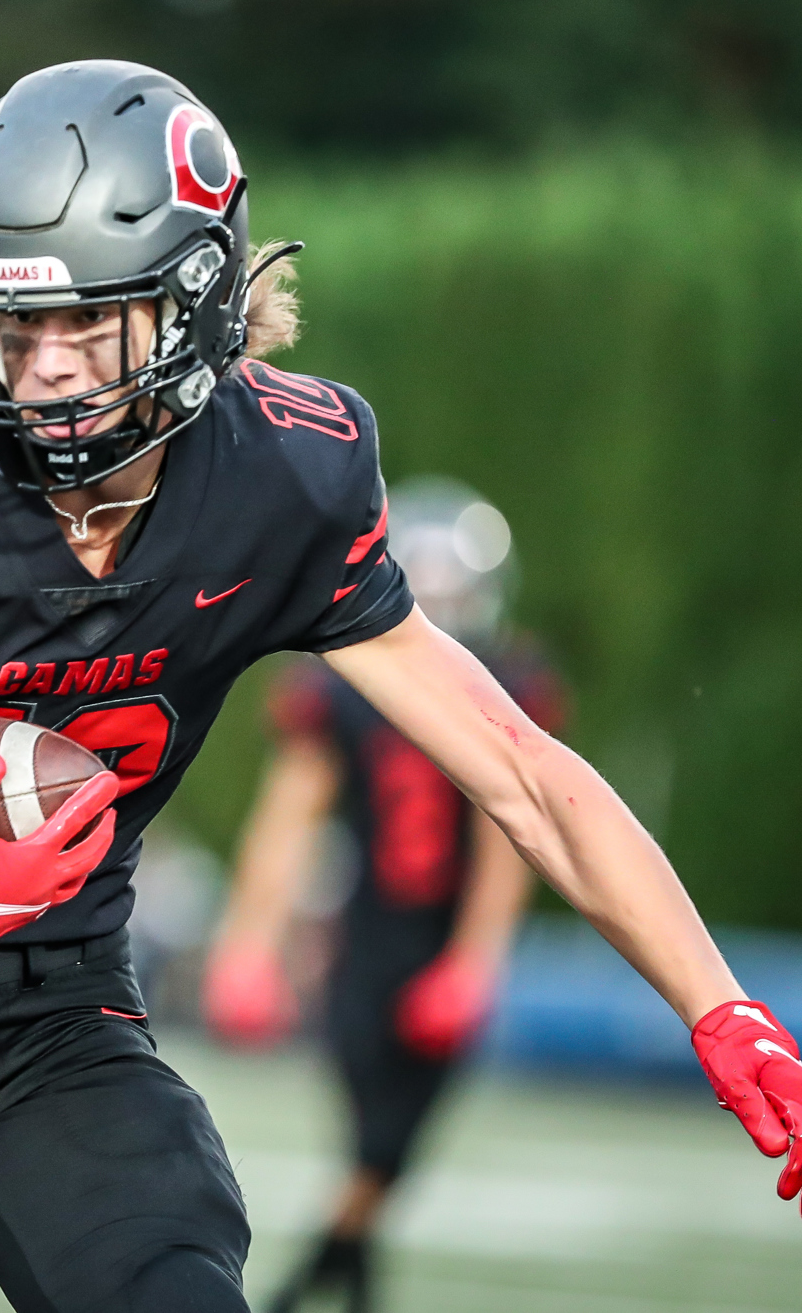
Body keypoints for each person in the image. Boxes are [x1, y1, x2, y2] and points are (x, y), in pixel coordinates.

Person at [0, 59, 802, 1313]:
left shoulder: (282, 480)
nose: (39, 367)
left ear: (195, 300)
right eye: (9, 324)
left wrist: (717, 1004)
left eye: (85, 321)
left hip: (44, 1002)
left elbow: (521, 772)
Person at [203, 478, 565, 1312]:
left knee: (388, 1149)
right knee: (375, 1139)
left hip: (440, 936)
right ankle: (331, 1282)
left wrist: (474, 961)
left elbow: (506, 836)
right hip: (366, 937)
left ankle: (321, 1282)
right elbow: (286, 819)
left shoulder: (506, 678)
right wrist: (246, 947)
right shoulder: (341, 686)